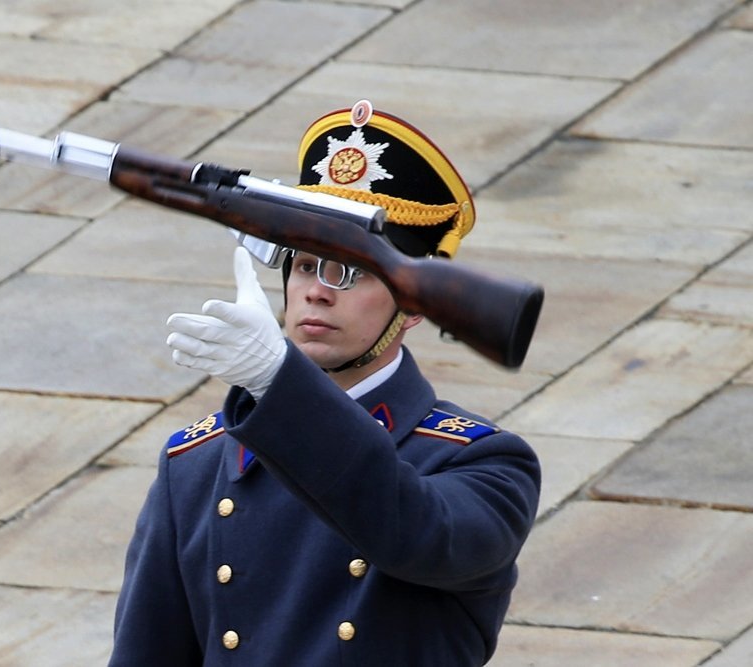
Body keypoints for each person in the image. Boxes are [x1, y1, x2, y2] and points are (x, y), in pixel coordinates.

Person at [109, 101, 540, 666]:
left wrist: (277, 384)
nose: (317, 291)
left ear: (415, 305)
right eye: (307, 265)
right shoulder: (196, 464)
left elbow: (410, 531)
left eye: (350, 273)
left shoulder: (482, 463)